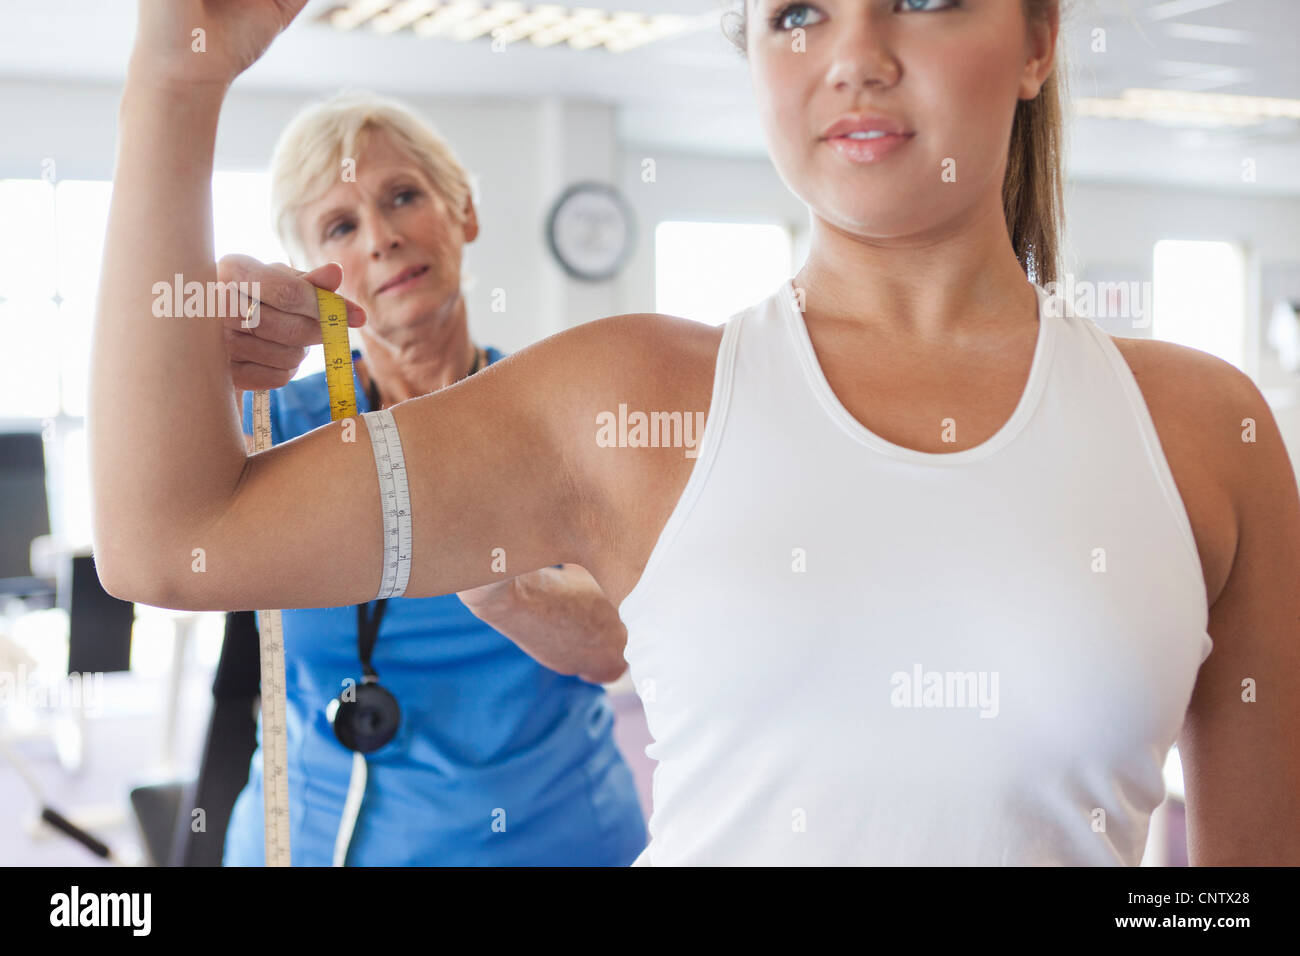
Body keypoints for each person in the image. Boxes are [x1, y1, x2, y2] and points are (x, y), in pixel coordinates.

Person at [91, 0, 1300, 865]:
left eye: (924, 0)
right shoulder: (624, 396)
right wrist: (176, 80)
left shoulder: (1204, 430)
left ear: (1038, 37)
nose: (857, 56)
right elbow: (169, 538)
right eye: (797, 16)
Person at [214, 92, 646, 866]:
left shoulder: (559, 412)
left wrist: (507, 589)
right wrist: (189, 365)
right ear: (316, 273)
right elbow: (144, 556)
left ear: (464, 212)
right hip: (320, 839)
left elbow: (616, 647)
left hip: (551, 839)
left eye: (403, 196)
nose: (381, 238)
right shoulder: (269, 427)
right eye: (340, 226)